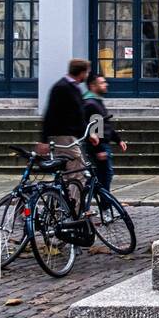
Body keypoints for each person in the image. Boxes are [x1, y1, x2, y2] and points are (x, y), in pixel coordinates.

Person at [37, 58, 93, 212]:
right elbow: (50, 115)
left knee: (70, 174)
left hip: (70, 137)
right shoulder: (62, 87)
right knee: (78, 173)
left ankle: (65, 205)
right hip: (63, 138)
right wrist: (44, 140)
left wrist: (89, 134)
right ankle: (73, 211)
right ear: (81, 73)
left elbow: (78, 115)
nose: (87, 75)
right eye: (87, 72)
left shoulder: (72, 87)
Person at [82, 74, 127, 193]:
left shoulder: (96, 102)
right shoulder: (91, 104)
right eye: (102, 83)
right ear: (92, 86)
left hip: (102, 144)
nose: (106, 84)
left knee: (101, 176)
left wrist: (118, 140)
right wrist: (99, 149)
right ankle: (105, 206)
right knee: (104, 176)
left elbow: (104, 124)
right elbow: (94, 129)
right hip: (99, 146)